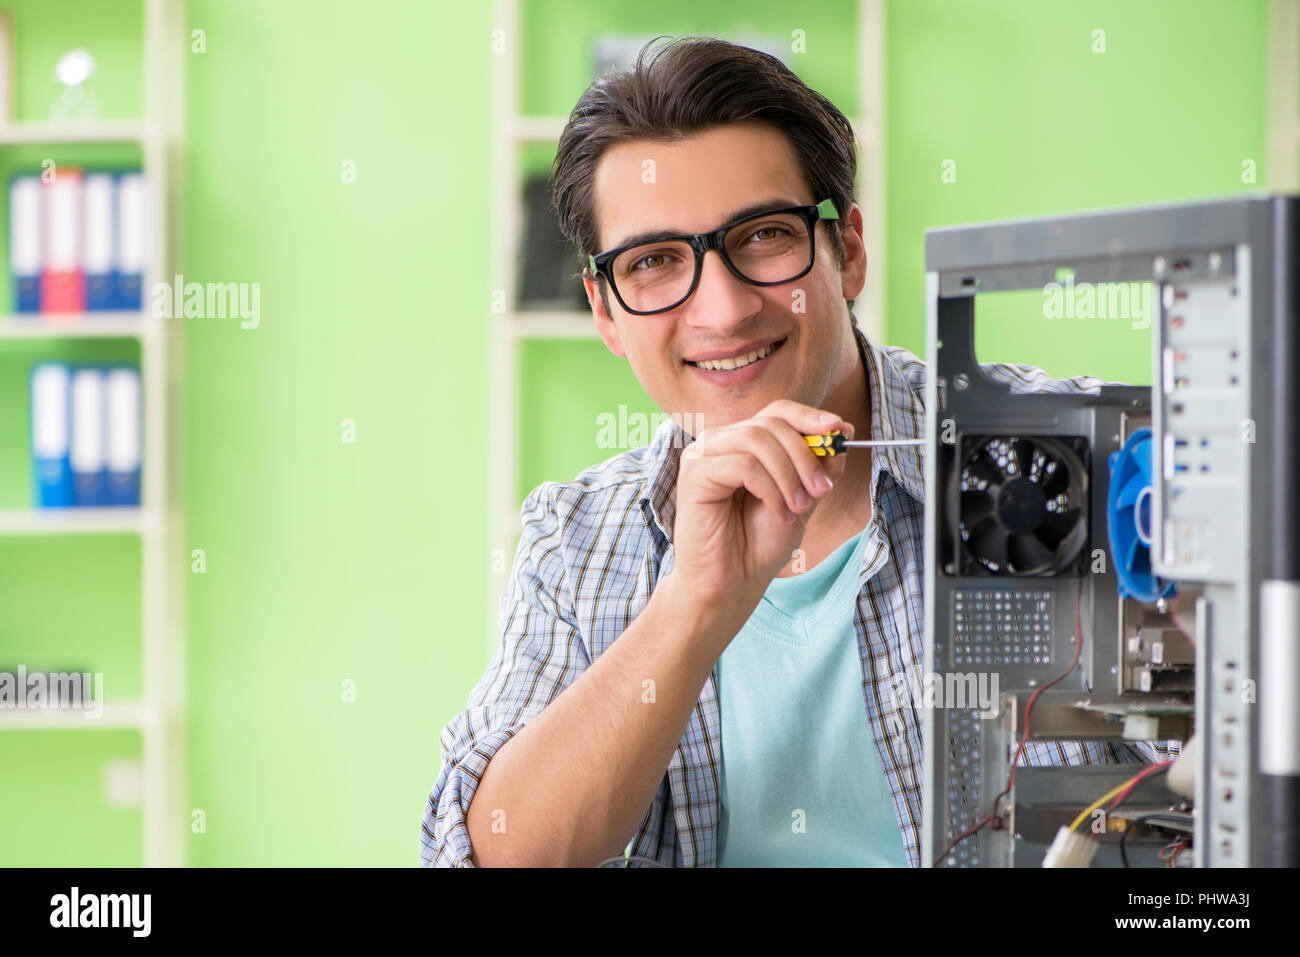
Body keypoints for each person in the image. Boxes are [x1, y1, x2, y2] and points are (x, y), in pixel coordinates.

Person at [421, 36, 1173, 868]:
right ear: (605, 310)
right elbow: (482, 853)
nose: (723, 308)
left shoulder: (1070, 459)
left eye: (763, 236)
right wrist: (696, 603)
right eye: (655, 261)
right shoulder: (578, 539)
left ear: (846, 248)